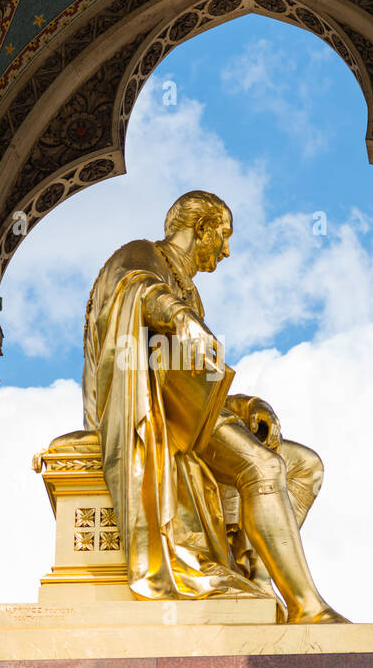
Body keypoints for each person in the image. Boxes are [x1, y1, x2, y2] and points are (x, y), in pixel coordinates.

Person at [82, 189, 347, 623]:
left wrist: (245, 407)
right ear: (200, 229)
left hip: (192, 417)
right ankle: (308, 609)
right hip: (157, 422)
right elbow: (135, 289)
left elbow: (189, 379)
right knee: (264, 467)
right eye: (222, 236)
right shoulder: (141, 254)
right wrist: (179, 315)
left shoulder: (189, 289)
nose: (225, 250)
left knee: (304, 466)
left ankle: (261, 588)